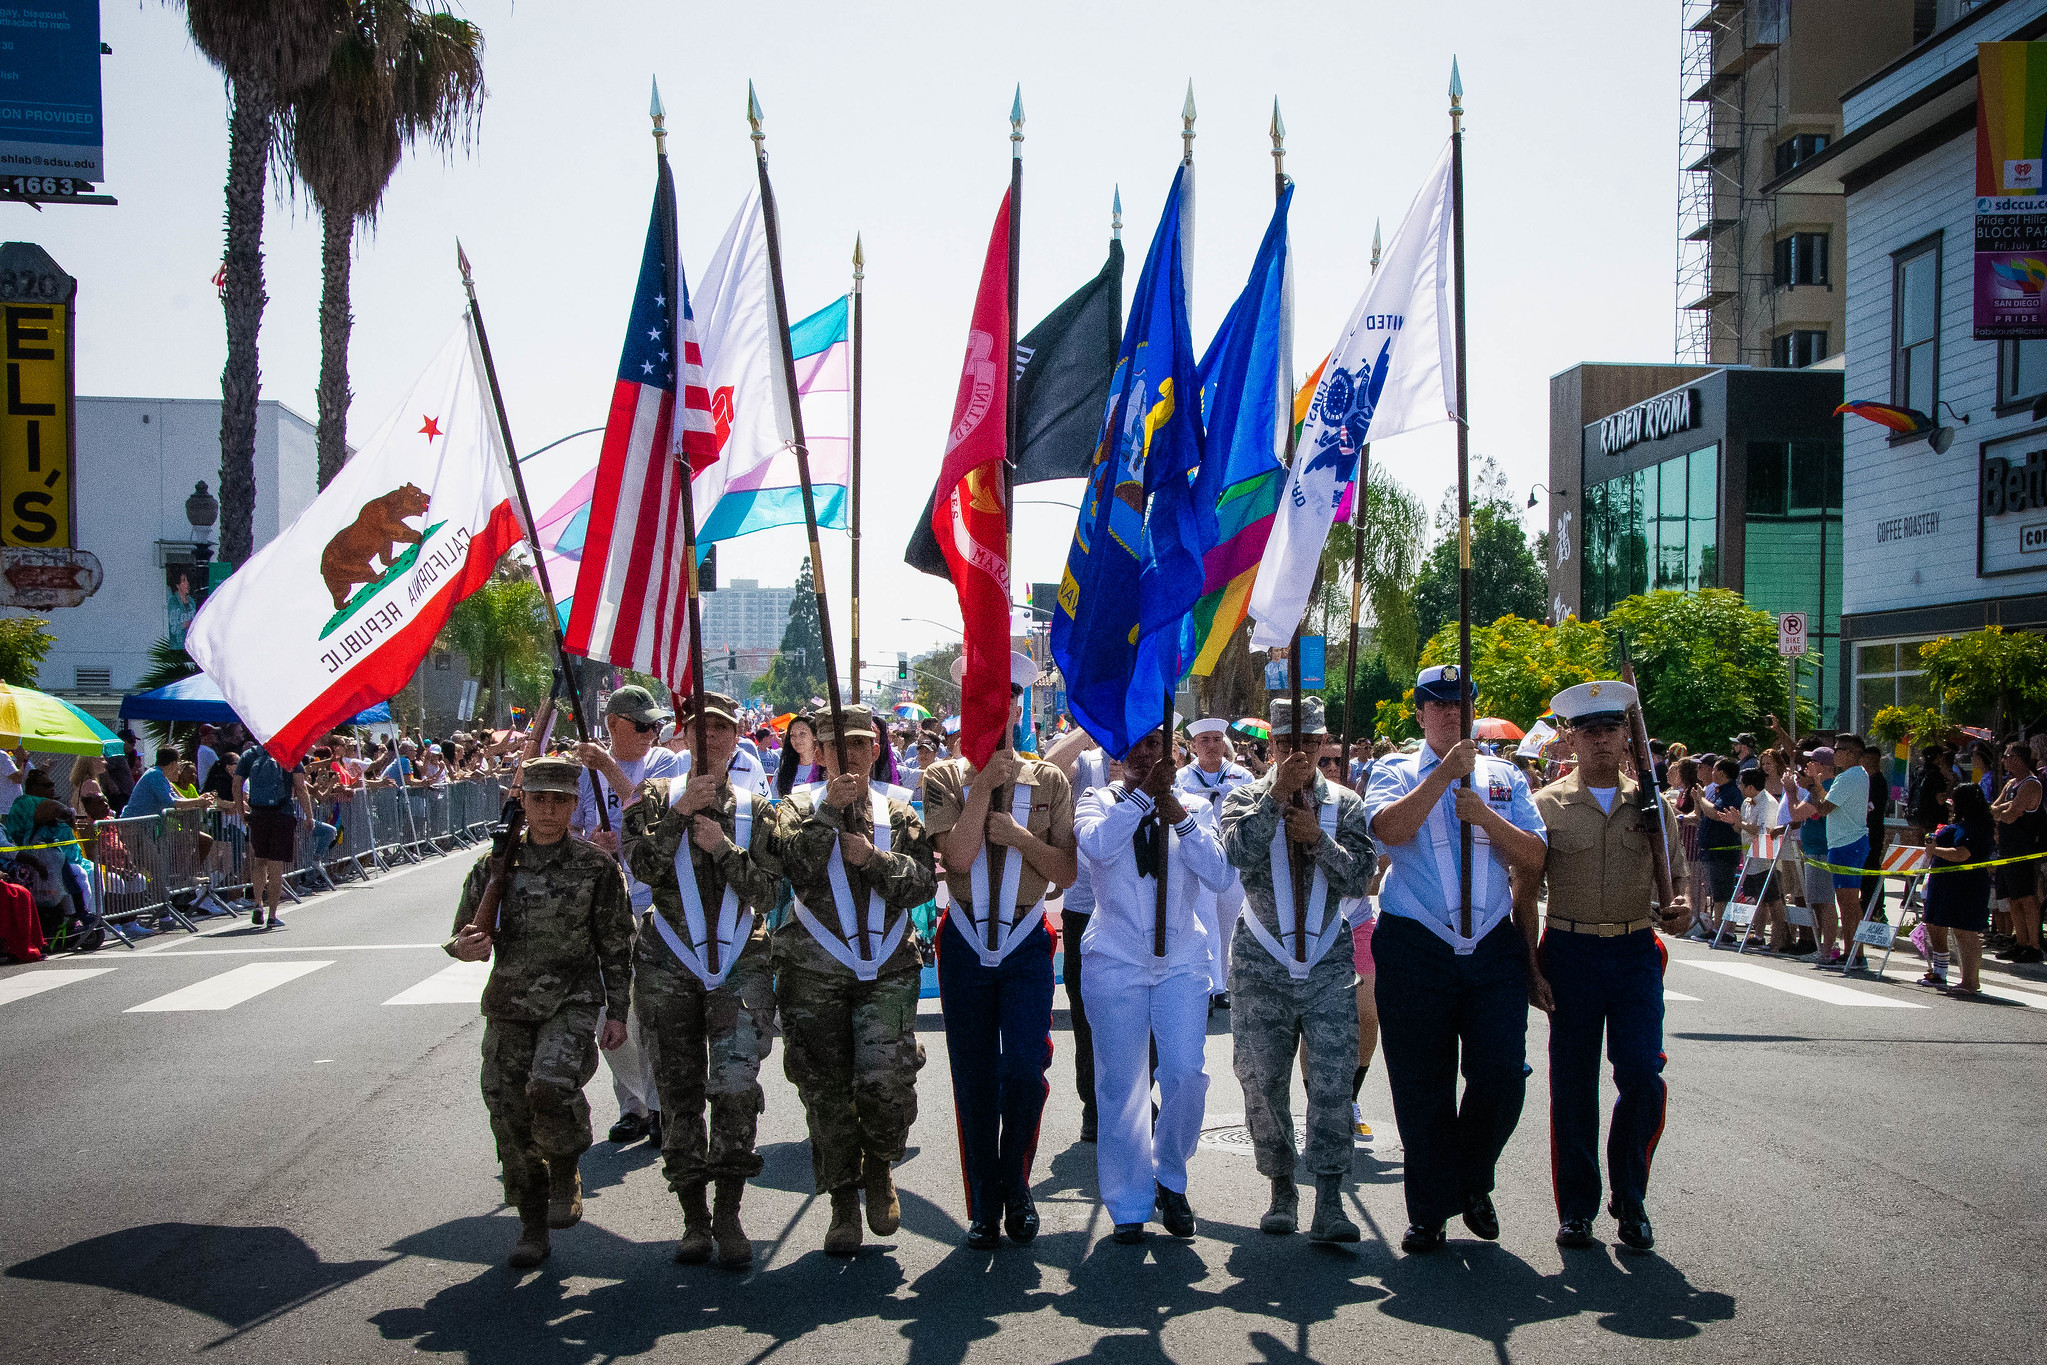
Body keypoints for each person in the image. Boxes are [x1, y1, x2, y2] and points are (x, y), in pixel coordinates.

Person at [1362, 663, 1548, 1254]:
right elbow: (1389, 832)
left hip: (1491, 943)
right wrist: (1444, 774)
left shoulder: (1505, 776)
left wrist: (1485, 814)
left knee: (1502, 1074)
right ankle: (1429, 1211)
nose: (1450, 714)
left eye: (1460, 703)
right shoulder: (1393, 770)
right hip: (1416, 943)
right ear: (1420, 714)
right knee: (1422, 1084)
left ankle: (1472, 1178)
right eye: (1437, 705)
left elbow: (1534, 856)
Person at [445, 754, 633, 1269]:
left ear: (574, 805)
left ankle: (566, 1164)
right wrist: (466, 946)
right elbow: (462, 933)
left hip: (572, 1000)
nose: (549, 810)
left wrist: (618, 1011)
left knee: (549, 1086)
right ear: (523, 803)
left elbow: (616, 945)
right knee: (507, 1111)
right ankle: (531, 1222)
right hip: (509, 1002)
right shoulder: (495, 866)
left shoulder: (595, 866)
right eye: (539, 799)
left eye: (560, 800)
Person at [620, 691, 784, 1270]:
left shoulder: (758, 810)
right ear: (684, 736)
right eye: (701, 728)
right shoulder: (652, 798)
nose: (711, 738)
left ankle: (729, 1210)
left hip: (739, 962)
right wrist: (679, 814)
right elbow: (641, 867)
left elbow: (768, 892)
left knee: (736, 1089)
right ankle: (693, 1216)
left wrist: (724, 848)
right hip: (668, 961)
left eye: (722, 728)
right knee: (679, 1092)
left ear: (737, 738)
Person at [767, 704, 936, 1257]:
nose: (851, 755)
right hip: (813, 971)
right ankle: (842, 1197)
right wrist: (828, 815)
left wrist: (872, 859)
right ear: (817, 752)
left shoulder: (899, 810)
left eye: (861, 744)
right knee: (826, 1090)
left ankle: (880, 1166)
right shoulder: (796, 807)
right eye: (837, 746)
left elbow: (921, 885)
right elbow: (792, 869)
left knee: (887, 1083)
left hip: (885, 969)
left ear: (876, 749)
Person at [922, 652, 1077, 1250]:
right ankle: (984, 1202)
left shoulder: (1050, 780)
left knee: (1024, 1071)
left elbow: (1064, 870)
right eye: (984, 696)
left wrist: (1017, 837)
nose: (998, 706)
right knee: (974, 1076)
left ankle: (1016, 1181)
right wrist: (983, 787)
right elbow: (958, 857)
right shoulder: (944, 777)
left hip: (1023, 939)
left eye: (1008, 696)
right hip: (964, 936)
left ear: (1018, 705)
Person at [1533, 681, 1693, 1252]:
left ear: (1627, 736)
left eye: (1610, 729)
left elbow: (1679, 881)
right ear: (1571, 739)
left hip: (1633, 951)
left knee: (1644, 1077)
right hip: (1570, 950)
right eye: (1589, 731)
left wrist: (1682, 910)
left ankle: (1631, 1196)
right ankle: (1576, 1209)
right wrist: (1530, 967)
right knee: (1574, 1085)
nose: (1600, 740)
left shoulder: (1651, 804)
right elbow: (1523, 891)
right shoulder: (1546, 805)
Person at [1217, 697, 1373, 1242]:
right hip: (1261, 963)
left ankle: (1329, 1197)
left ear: (1324, 742)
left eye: (1308, 743)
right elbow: (1237, 853)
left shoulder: (1346, 805)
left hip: (1327, 962)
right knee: (1262, 1080)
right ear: (1271, 748)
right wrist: (1276, 798)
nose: (1298, 755)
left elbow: (1360, 879)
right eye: (1286, 745)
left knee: (1332, 1081)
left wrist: (1318, 840)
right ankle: (1281, 1185)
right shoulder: (1243, 797)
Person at [1073, 716, 1232, 1245]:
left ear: (1175, 751)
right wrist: (1143, 798)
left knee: (1185, 1074)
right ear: (1118, 753)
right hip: (1115, 959)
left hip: (1181, 960)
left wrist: (1178, 817)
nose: (1146, 753)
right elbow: (1098, 847)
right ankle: (1128, 1200)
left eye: (1157, 744)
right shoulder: (1097, 801)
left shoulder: (1196, 807)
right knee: (1122, 1084)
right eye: (1136, 745)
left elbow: (1220, 875)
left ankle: (1171, 1175)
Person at [573, 685, 686, 1149]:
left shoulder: (664, 762)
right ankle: (631, 1105)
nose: (651, 732)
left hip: (650, 900)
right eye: (642, 726)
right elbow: (570, 829)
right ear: (614, 724)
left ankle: (658, 1106)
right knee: (611, 1009)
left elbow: (649, 809)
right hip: (605, 903)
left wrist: (608, 768)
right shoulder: (586, 774)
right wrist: (591, 844)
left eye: (656, 725)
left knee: (650, 1006)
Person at [1176, 717, 1256, 1012]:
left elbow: (1253, 812)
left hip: (1232, 856)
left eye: (1217, 739)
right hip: (1201, 859)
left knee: (1229, 924)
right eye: (1205, 740)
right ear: (1193, 745)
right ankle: (1210, 986)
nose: (1212, 746)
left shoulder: (1241, 776)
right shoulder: (1182, 777)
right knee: (1205, 920)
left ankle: (1223, 982)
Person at [1920, 782, 1995, 998]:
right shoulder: (1974, 824)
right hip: (1951, 885)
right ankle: (1955, 976)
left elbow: (1962, 853)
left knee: (1965, 932)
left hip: (1965, 886)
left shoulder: (1972, 827)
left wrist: (1935, 850)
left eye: (1955, 801)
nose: (1951, 805)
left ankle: (1970, 981)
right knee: (1957, 930)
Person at [1805, 735, 1873, 967]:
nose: (1835, 754)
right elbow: (1830, 801)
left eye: (1838, 750)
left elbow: (1823, 809)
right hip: (1847, 842)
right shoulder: (1856, 775)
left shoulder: (1848, 776)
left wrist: (1811, 787)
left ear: (1851, 753)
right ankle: (1854, 952)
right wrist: (1817, 782)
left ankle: (1854, 953)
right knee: (1849, 902)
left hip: (1846, 843)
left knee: (1848, 902)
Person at [235, 740, 306, 930]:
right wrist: (309, 815)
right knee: (276, 866)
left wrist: (241, 812)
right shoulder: (289, 753)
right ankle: (272, 915)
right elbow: (300, 786)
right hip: (282, 813)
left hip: (258, 813)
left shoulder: (250, 754)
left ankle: (257, 903)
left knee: (259, 861)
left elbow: (236, 784)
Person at [1990, 741, 2045, 964]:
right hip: (2006, 848)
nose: (2003, 760)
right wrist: (2004, 808)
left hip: (2024, 849)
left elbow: (2011, 816)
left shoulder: (2031, 784)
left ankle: (2034, 945)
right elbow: (1993, 809)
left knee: (2027, 898)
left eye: (2007, 756)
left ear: (2017, 759)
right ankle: (2020, 942)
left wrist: (2004, 810)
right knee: (2012, 898)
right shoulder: (2011, 784)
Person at [774, 714, 822, 799]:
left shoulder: (826, 769)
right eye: (793, 735)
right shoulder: (782, 771)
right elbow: (775, 800)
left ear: (815, 735)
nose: (797, 739)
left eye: (802, 734)